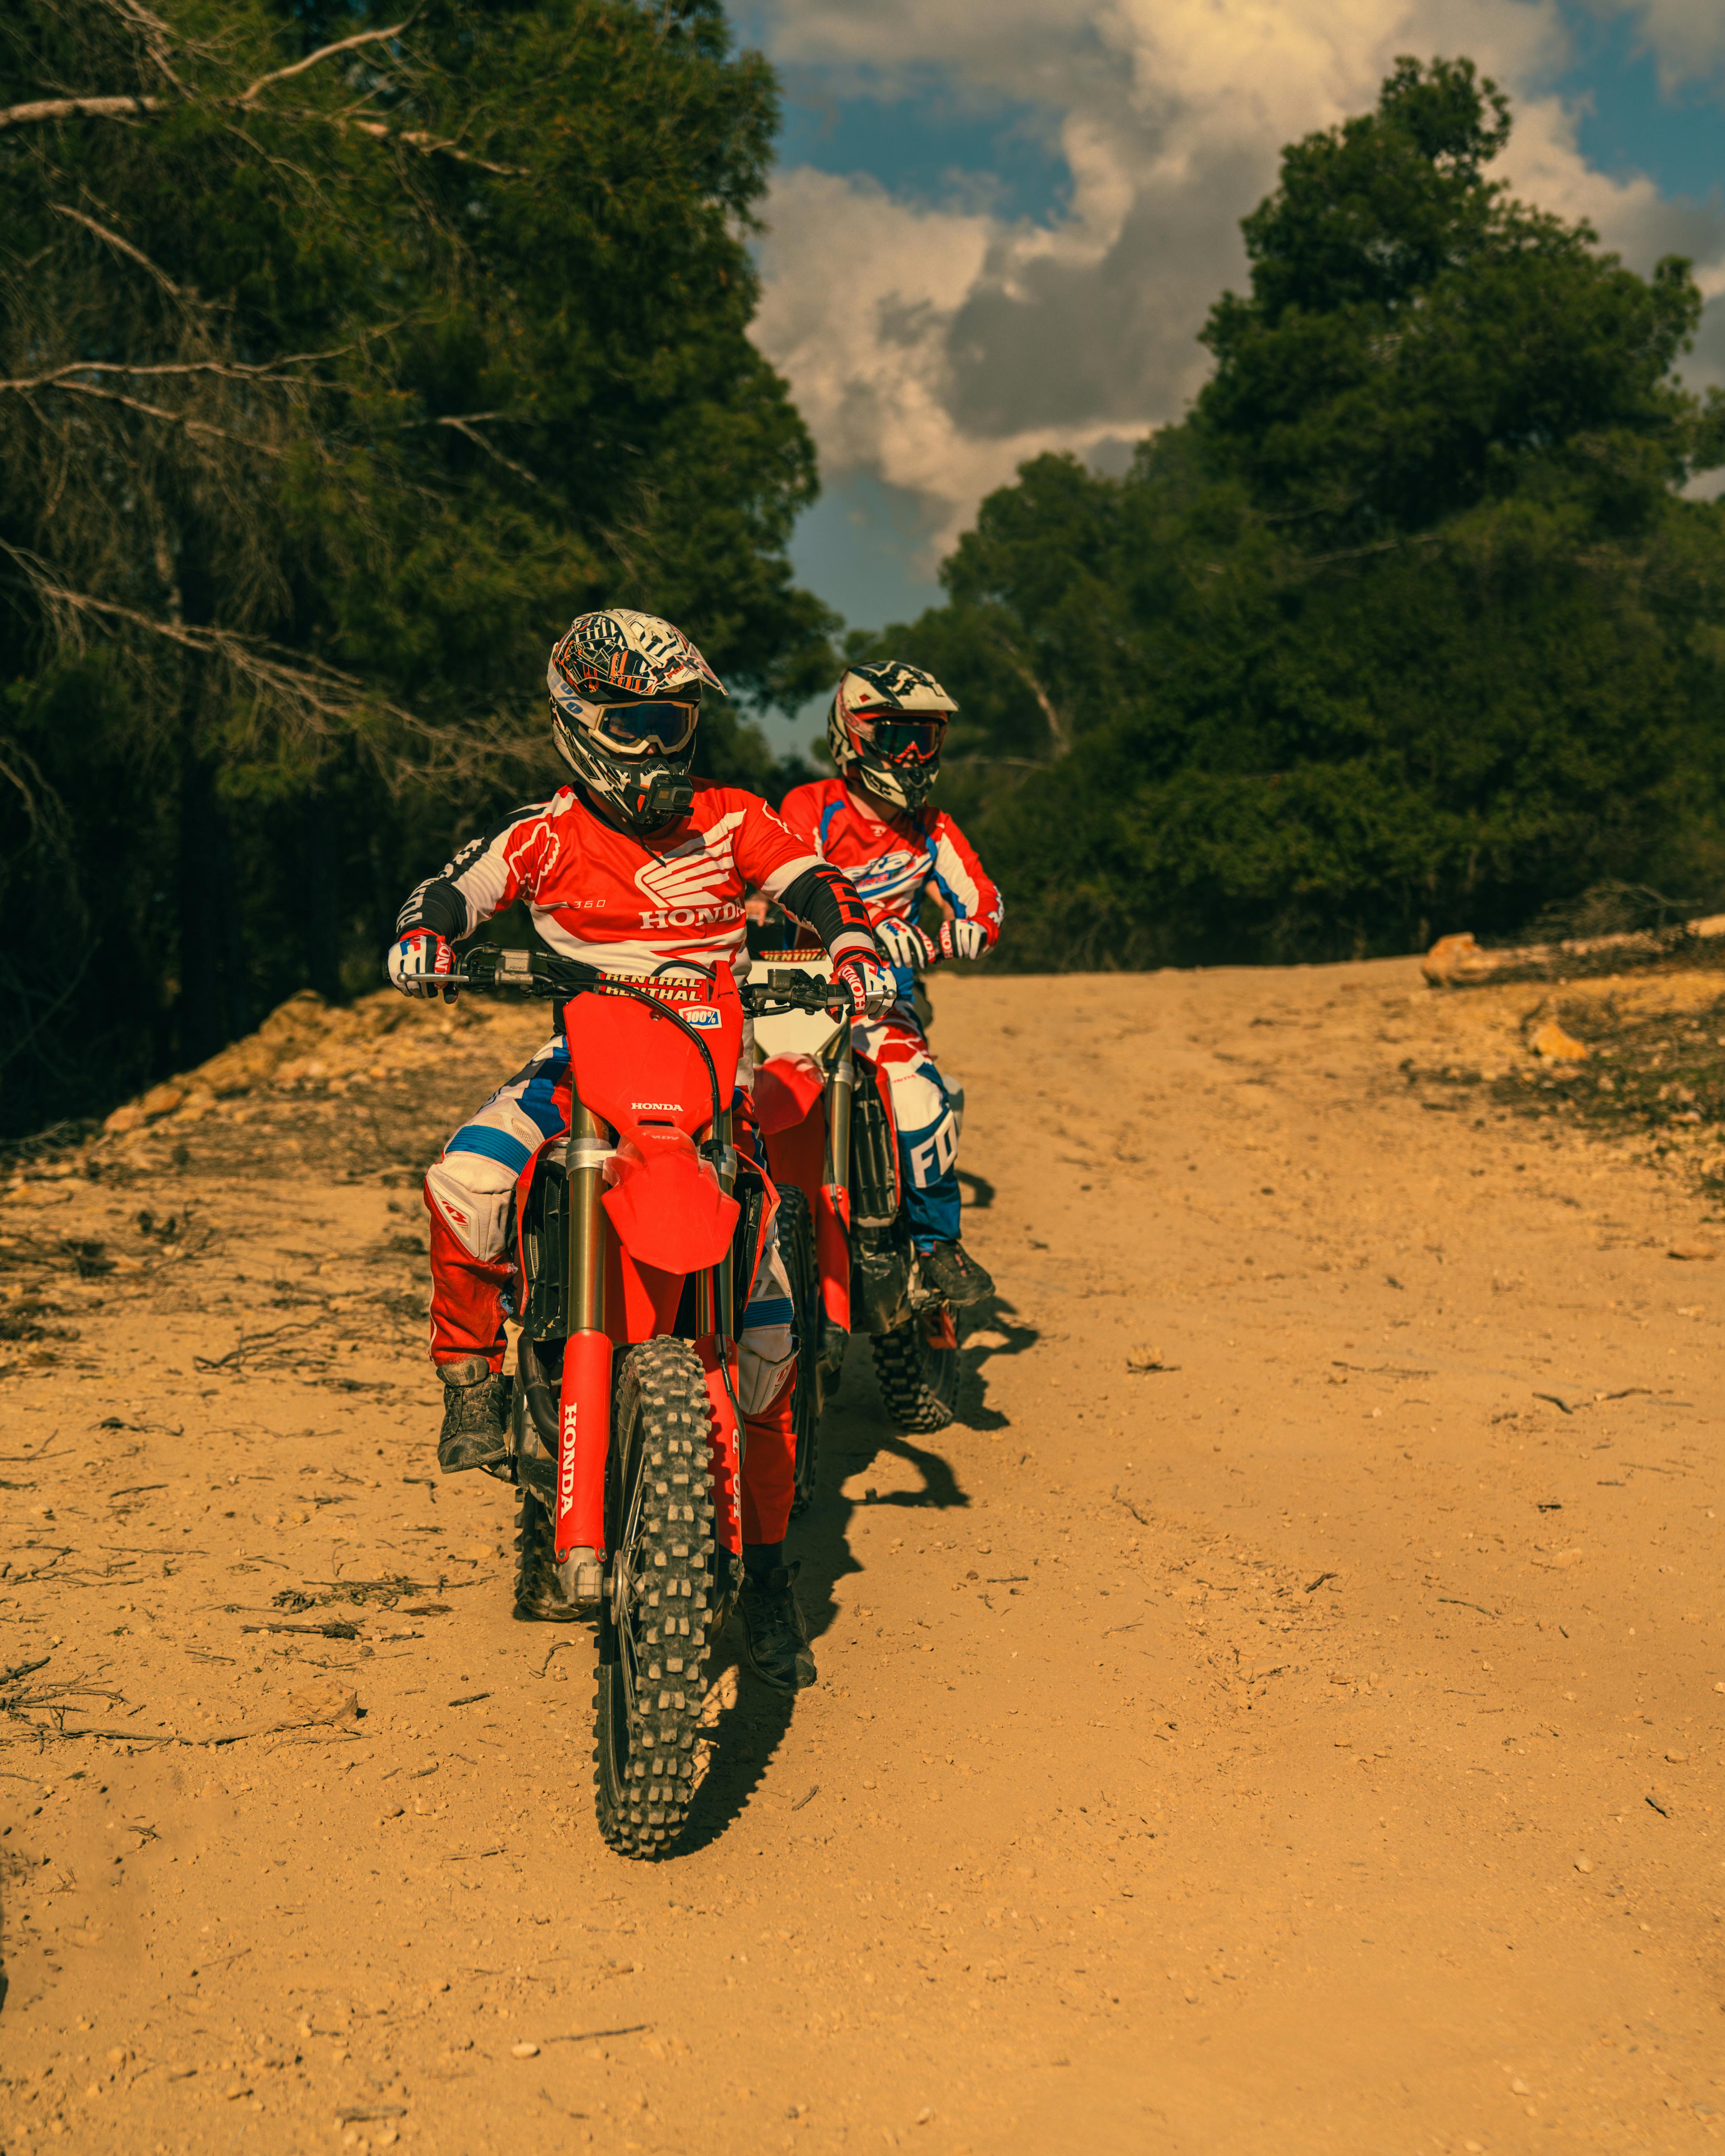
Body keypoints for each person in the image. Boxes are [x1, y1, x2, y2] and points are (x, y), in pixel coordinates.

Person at [385, 608, 893, 1690]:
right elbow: (458, 888)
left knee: (768, 1343)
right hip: (579, 1065)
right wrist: (429, 934)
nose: (663, 747)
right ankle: (470, 1378)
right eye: (640, 724)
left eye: (678, 724)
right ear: (581, 720)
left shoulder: (731, 817)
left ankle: (768, 1578)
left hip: (711, 1078)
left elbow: (810, 878)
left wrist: (848, 936)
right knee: (466, 1179)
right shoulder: (543, 833)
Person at [780, 661, 1002, 1308]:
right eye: (896, 736)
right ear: (853, 735)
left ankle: (937, 1247)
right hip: (799, 990)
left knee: (919, 1099)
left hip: (885, 997)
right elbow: (787, 885)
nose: (911, 755)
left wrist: (957, 935)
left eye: (925, 739)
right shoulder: (811, 807)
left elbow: (983, 900)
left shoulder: (932, 827)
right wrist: (864, 928)